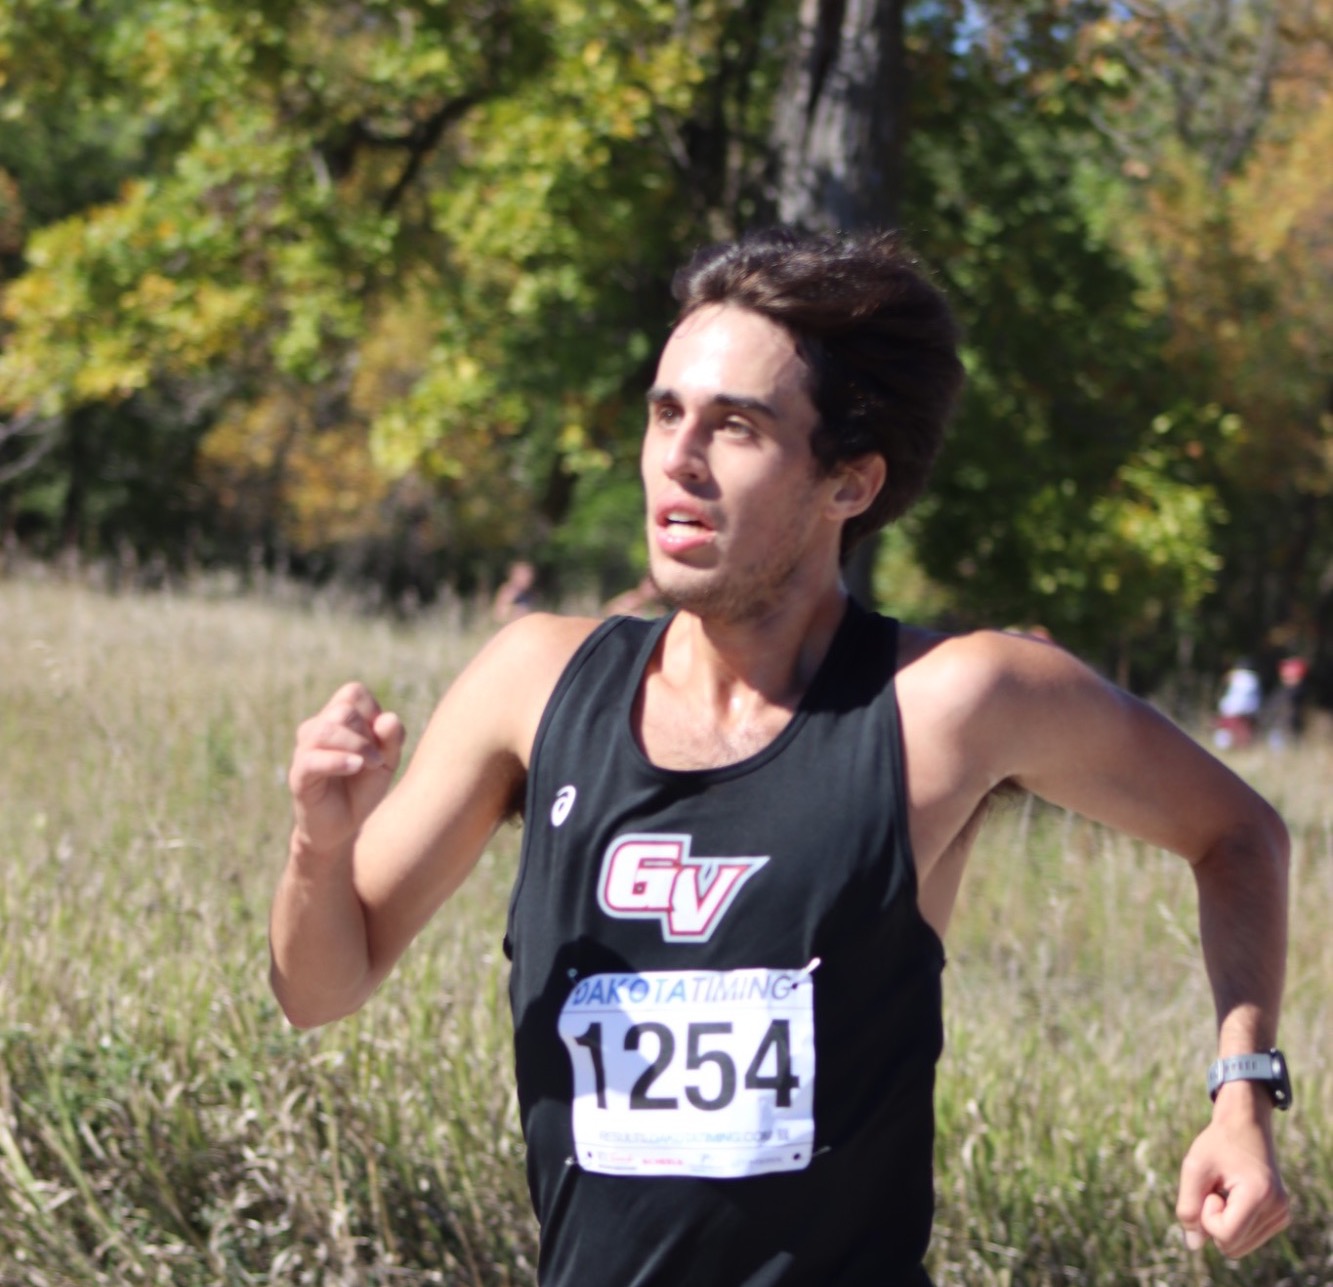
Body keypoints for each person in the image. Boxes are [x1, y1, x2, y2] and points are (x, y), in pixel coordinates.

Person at [270, 227, 1291, 1284]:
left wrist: (1241, 1097)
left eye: (735, 427)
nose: (677, 457)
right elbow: (318, 989)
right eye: (666, 412)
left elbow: (1237, 832)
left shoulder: (946, 704)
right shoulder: (533, 681)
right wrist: (318, 840)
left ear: (847, 484)